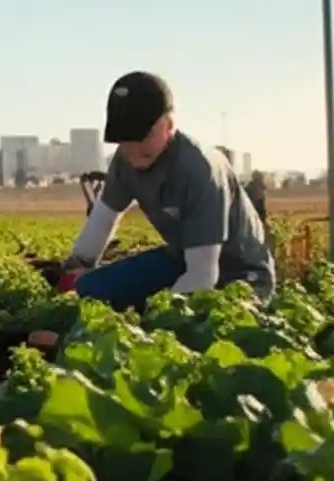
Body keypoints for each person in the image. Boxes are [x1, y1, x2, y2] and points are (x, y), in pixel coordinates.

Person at [59, 71, 275, 309]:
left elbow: (202, 277)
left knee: (189, 328)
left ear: (169, 125)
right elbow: (104, 218)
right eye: (124, 139)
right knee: (89, 290)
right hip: (182, 258)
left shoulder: (198, 169)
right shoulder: (126, 159)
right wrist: (76, 267)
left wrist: (150, 317)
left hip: (239, 273)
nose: (132, 147)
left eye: (141, 136)